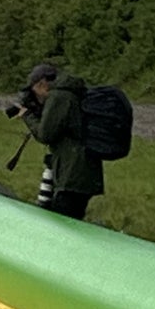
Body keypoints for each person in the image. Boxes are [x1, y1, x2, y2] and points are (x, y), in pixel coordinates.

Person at [16, 63, 103, 220]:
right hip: (81, 171)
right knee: (67, 221)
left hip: (73, 174)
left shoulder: (59, 96)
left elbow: (45, 134)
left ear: (42, 84)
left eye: (33, 90)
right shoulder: (72, 93)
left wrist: (27, 115)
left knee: (62, 224)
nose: (35, 96)